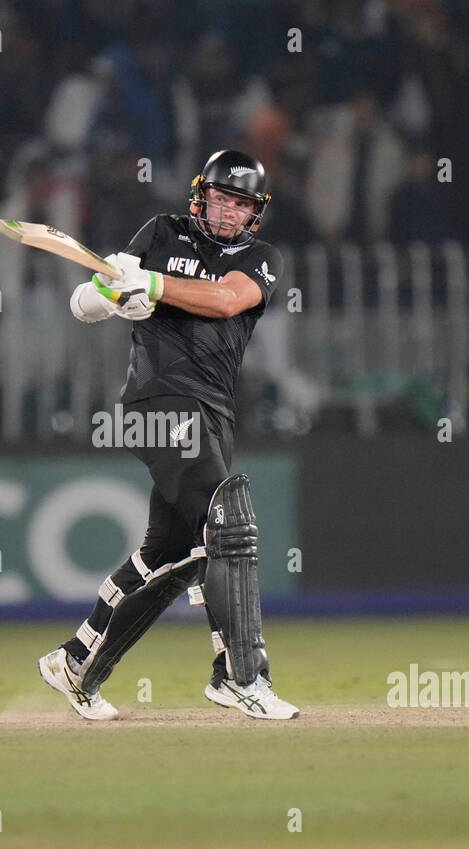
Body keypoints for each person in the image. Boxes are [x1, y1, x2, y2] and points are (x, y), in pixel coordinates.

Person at [38, 148, 299, 721]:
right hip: (155, 404)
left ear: (255, 212)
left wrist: (151, 286)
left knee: (172, 552)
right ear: (199, 193)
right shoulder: (160, 232)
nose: (229, 212)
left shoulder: (262, 257)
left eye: (242, 203)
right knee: (227, 523)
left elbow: (227, 299)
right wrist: (111, 293)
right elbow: (85, 304)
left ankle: (76, 662)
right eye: (221, 198)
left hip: (213, 412)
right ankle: (240, 675)